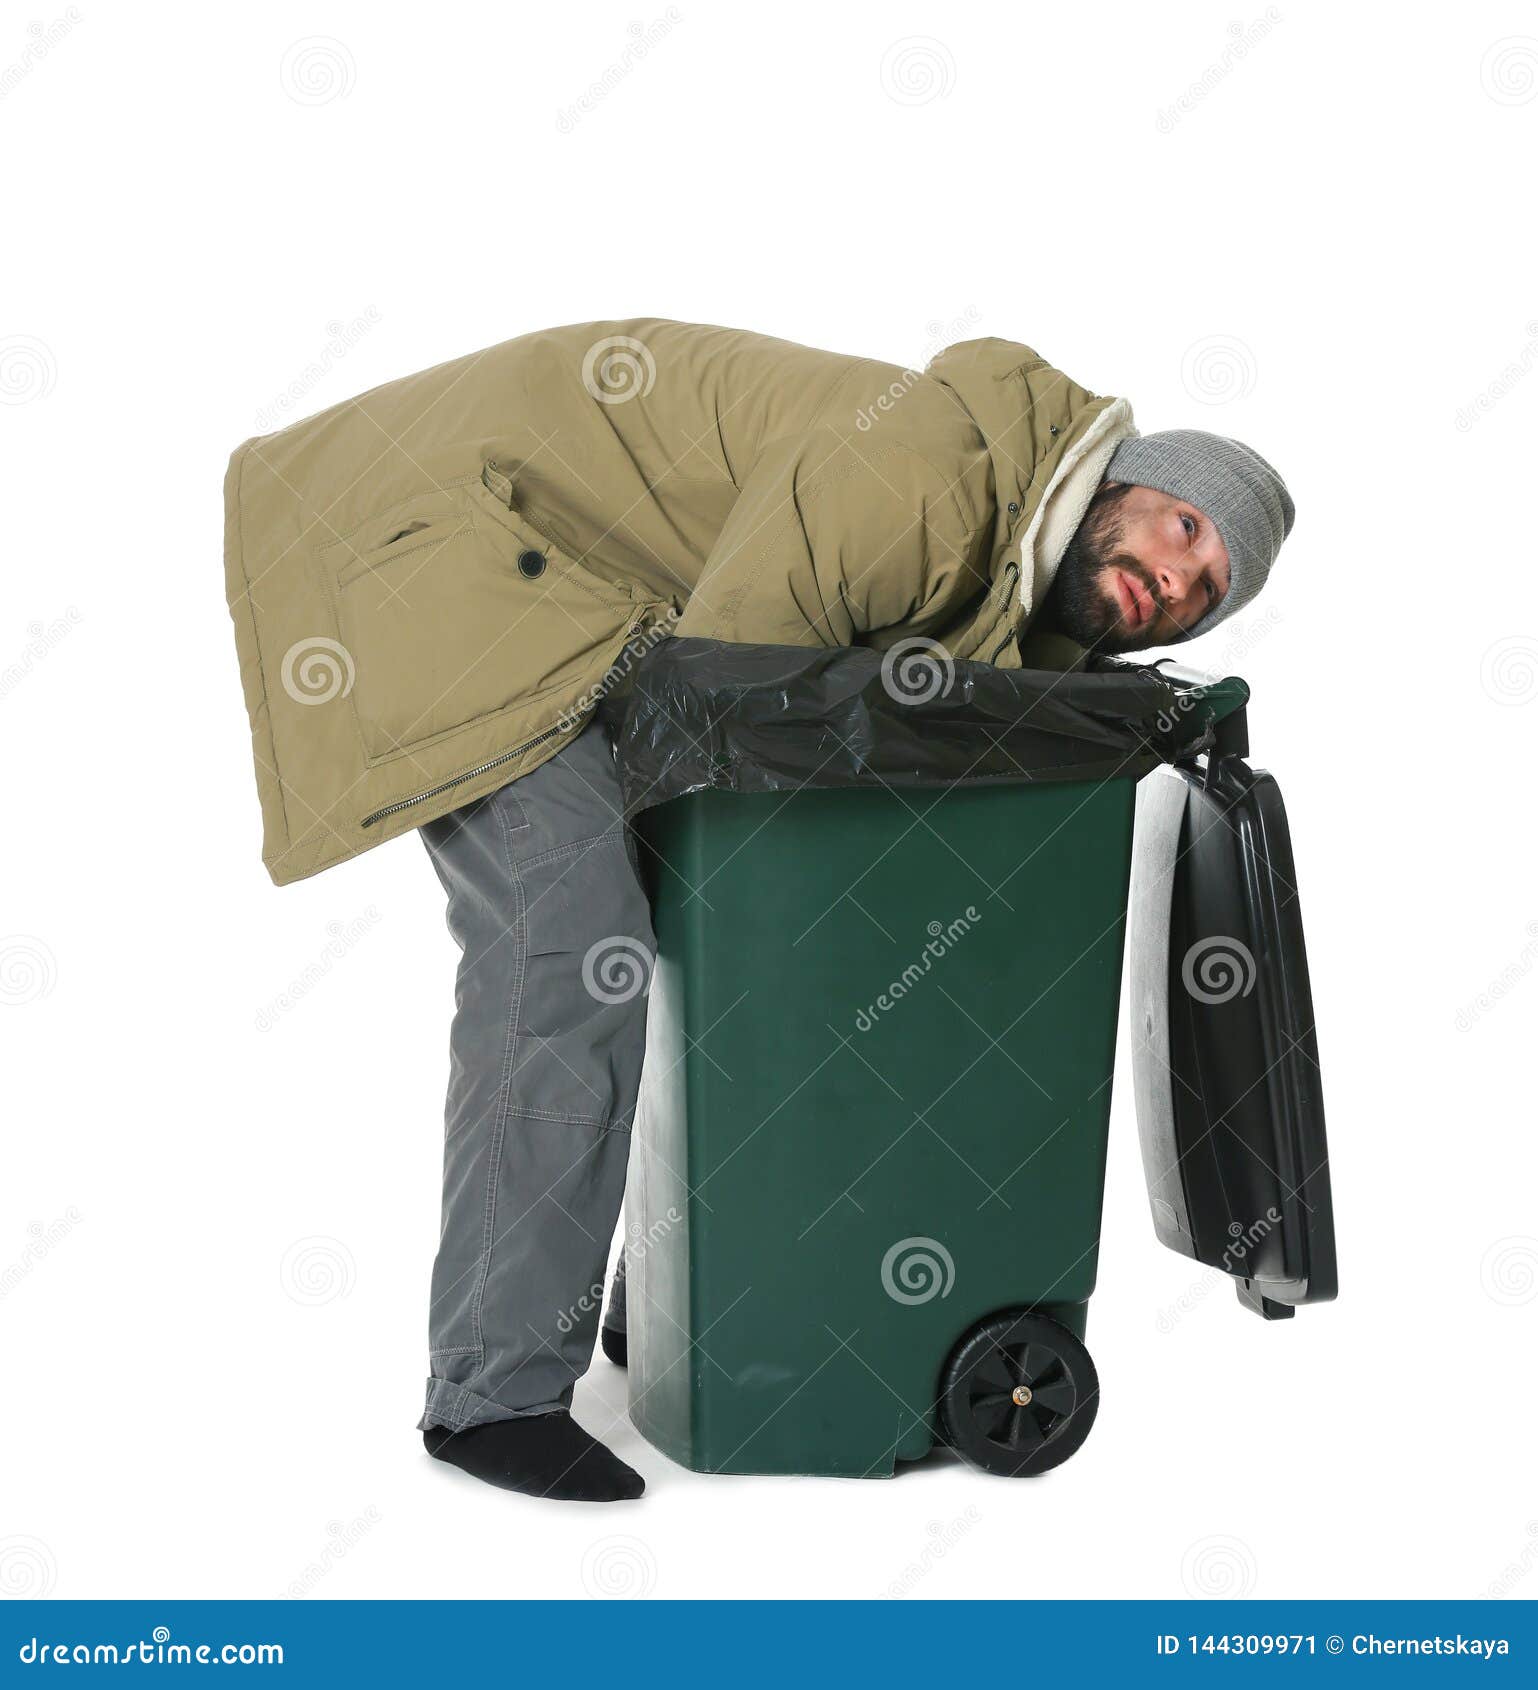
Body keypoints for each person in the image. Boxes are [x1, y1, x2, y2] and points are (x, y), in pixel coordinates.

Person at [223, 320, 1294, 1501]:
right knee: (572, 945)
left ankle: (658, 1299)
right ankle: (492, 1396)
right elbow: (730, 694)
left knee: (678, 930)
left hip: (560, 581)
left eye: (1207, 591)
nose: (1177, 580)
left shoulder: (1007, 553)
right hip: (438, 546)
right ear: (1121, 478)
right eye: (1183, 527)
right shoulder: (928, 480)